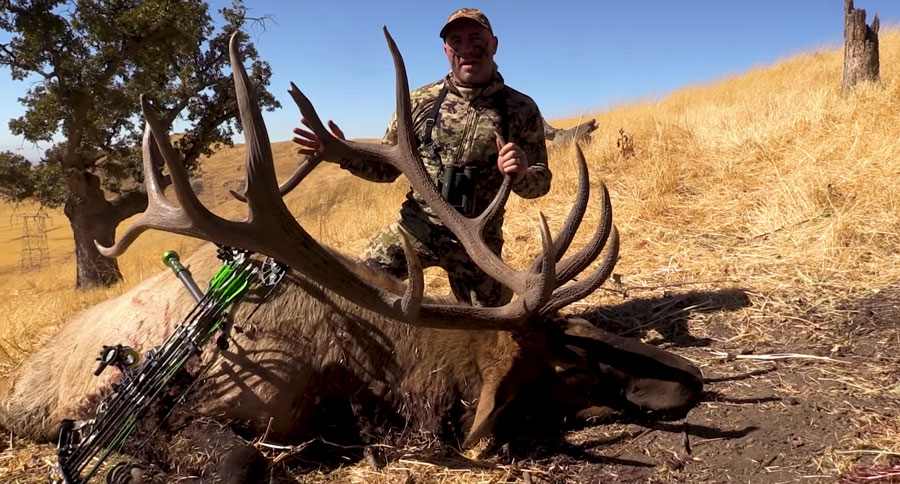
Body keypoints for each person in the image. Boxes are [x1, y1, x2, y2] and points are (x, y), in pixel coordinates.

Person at [292, 8, 551, 307]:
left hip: (479, 241)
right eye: (456, 41)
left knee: (497, 329)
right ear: (446, 50)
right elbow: (386, 170)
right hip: (416, 228)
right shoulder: (417, 102)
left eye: (475, 39)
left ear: (494, 44)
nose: (466, 49)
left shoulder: (521, 108)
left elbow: (541, 181)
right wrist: (343, 155)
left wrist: (521, 173)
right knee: (356, 290)